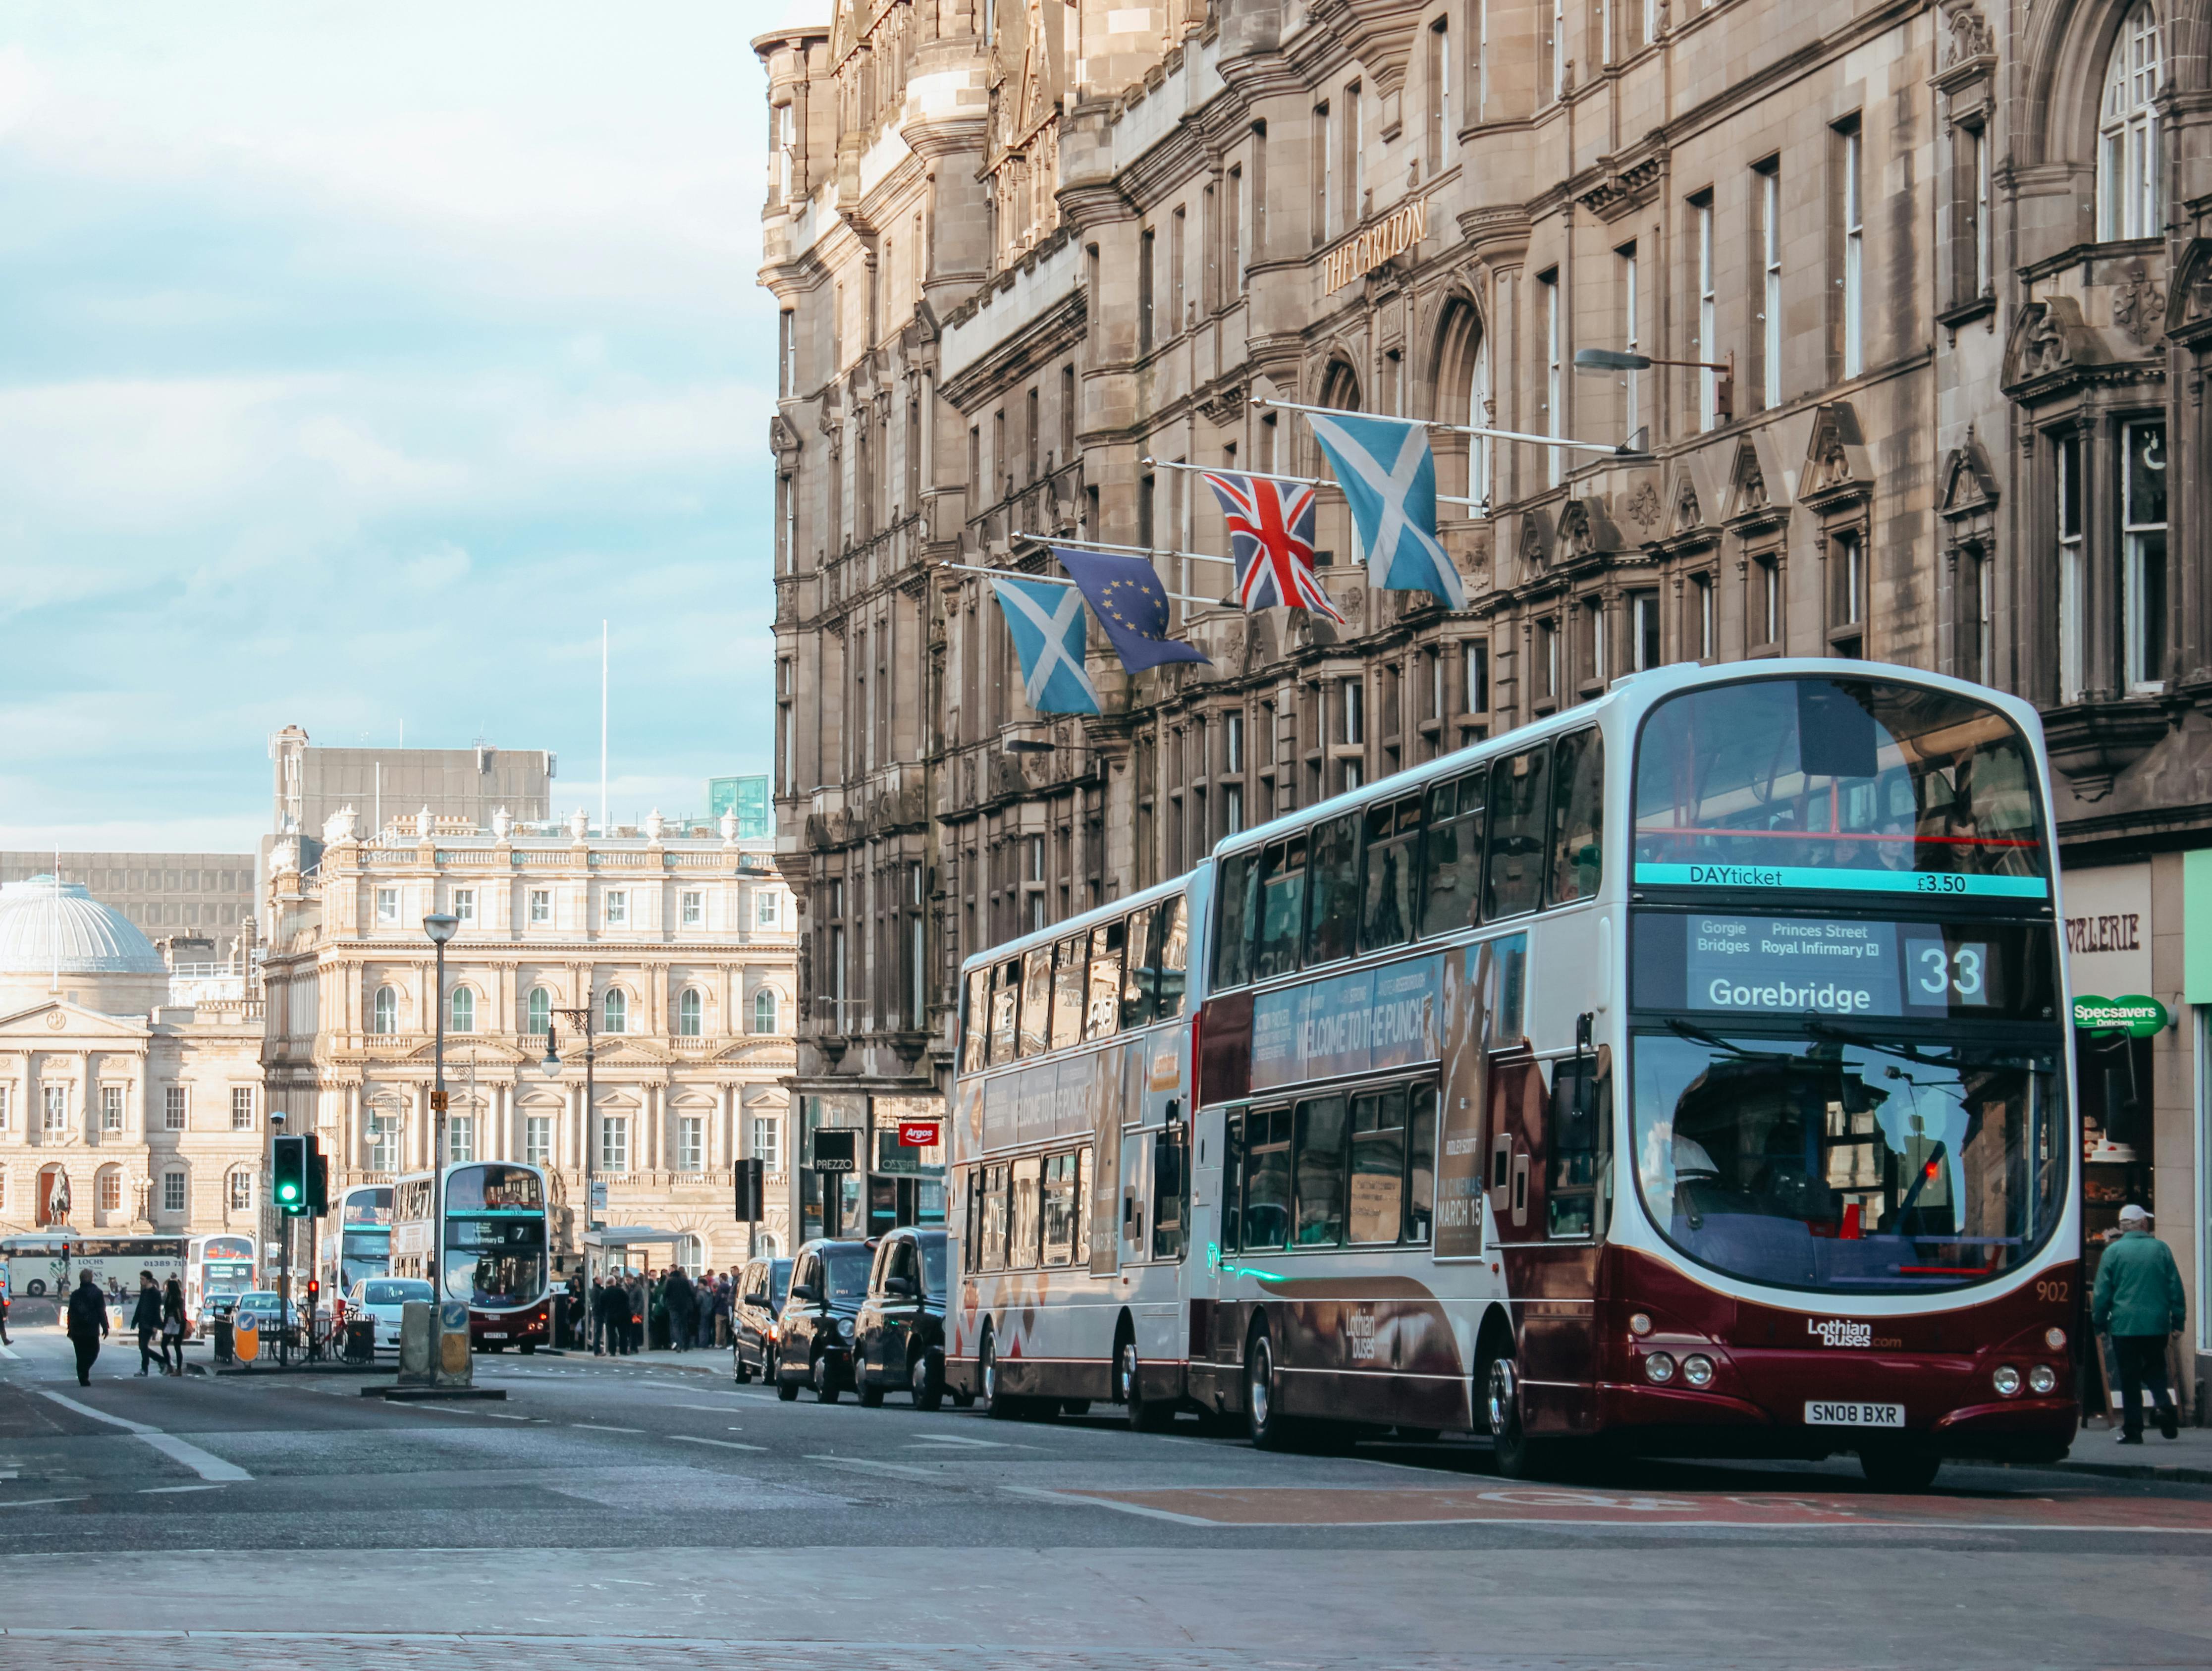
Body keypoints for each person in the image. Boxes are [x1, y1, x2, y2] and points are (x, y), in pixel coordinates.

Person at [2093, 1203, 2187, 1443]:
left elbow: (2102, 1293)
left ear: (2123, 1227)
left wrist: (2100, 1324)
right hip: (2156, 1324)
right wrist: (2178, 1321)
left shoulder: (2112, 1253)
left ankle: (2133, 1429)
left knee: (2129, 1377)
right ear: (2144, 1224)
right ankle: (2165, 1406)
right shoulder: (2161, 1250)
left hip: (2125, 1325)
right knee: (2156, 1369)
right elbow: (2175, 1288)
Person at [65, 1268, 109, 1386]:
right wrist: (105, 1327)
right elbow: (101, 1311)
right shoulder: (97, 1293)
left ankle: (82, 1375)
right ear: (91, 1279)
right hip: (91, 1328)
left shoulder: (75, 1294)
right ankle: (84, 1371)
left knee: (80, 1354)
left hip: (77, 1329)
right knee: (94, 1351)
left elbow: (70, 1313)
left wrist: (70, 1328)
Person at [129, 1271, 163, 1377]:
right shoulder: (144, 1292)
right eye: (140, 1279)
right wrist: (134, 1321)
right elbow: (140, 1307)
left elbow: (157, 1310)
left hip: (150, 1323)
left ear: (148, 1280)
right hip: (142, 1323)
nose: (141, 1281)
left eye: (143, 1279)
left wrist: (156, 1326)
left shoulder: (155, 1293)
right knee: (142, 1347)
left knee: (143, 1347)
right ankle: (162, 1361)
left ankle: (145, 1369)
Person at [161, 1276, 188, 1375]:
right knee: (164, 1345)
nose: (166, 1288)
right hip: (171, 1322)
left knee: (177, 1346)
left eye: (168, 1287)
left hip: (177, 1323)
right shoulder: (169, 1297)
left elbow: (173, 1310)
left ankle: (178, 1369)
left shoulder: (177, 1299)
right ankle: (170, 1366)